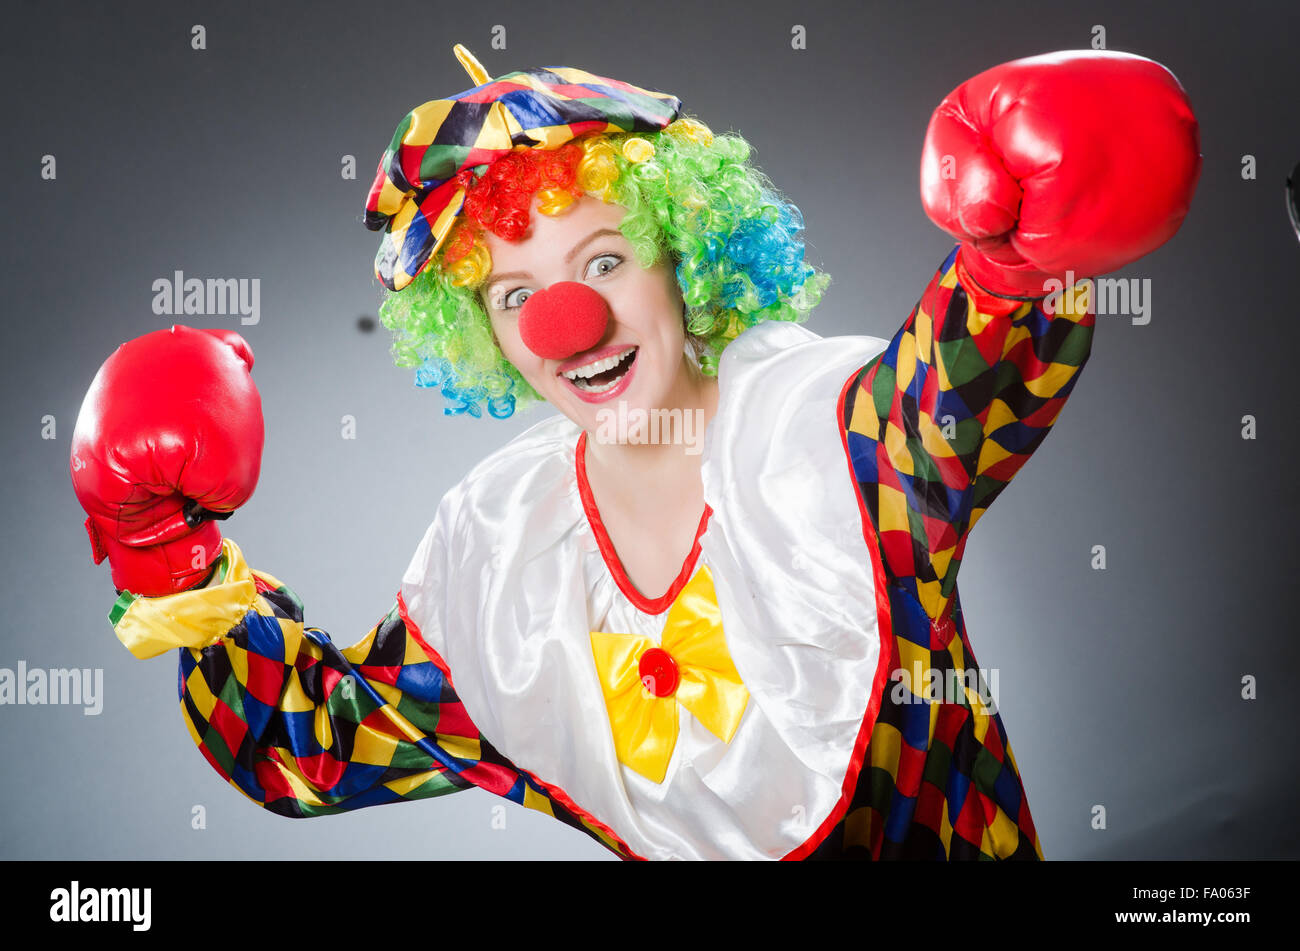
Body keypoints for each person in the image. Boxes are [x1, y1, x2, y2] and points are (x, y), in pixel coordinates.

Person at [70, 46, 1200, 860]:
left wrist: (1008, 267)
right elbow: (312, 747)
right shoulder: (500, 555)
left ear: (682, 256)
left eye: (604, 263)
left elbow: (958, 396)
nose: (568, 323)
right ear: (489, 336)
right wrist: (165, 557)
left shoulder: (830, 435)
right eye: (517, 296)